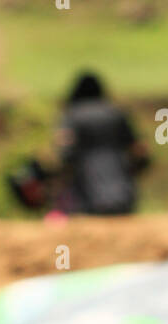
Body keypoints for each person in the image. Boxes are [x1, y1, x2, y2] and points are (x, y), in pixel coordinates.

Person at [54, 72, 149, 216]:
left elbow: (64, 152)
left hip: (87, 199)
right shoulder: (116, 113)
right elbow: (140, 151)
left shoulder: (71, 116)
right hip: (124, 197)